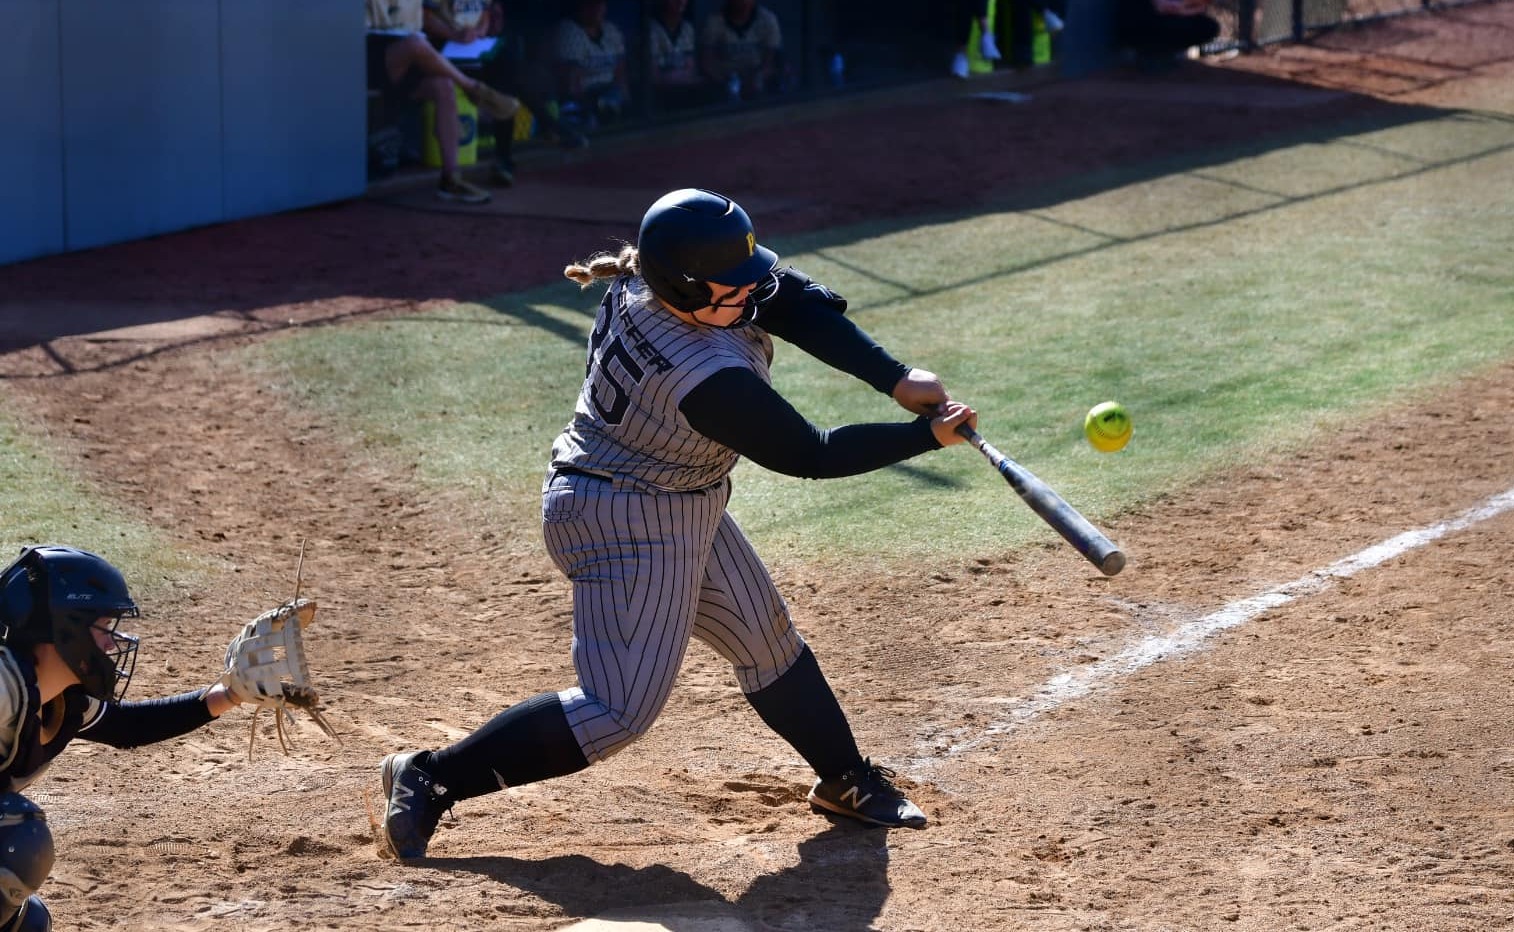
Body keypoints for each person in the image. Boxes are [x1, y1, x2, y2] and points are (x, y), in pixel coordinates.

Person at [378, 188, 979, 859]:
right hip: (622, 518)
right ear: (687, 285)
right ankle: (431, 776)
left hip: (672, 495)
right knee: (616, 711)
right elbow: (808, 453)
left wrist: (894, 377)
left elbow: (791, 300)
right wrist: (926, 438)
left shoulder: (662, 282)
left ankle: (844, 780)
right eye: (736, 286)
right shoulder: (697, 372)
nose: (754, 293)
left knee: (766, 641)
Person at [0, 546, 264, 931]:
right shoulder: (5, 688)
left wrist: (229, 696)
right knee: (17, 839)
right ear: (66, 626)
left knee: (28, 921)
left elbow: (127, 727)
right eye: (103, 627)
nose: (112, 644)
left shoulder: (57, 701)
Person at [421, 0, 589, 189]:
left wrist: (481, 31)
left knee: (510, 67)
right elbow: (426, 17)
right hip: (444, 53)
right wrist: (455, 34)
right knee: (510, 76)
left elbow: (484, 12)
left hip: (474, 48)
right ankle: (545, 129)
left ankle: (509, 158)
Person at [366, 0, 521, 203]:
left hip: (409, 52)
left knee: (444, 87)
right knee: (416, 44)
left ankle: (451, 179)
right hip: (368, 51)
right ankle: (473, 88)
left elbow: (428, 14)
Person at [549, 0, 632, 132]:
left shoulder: (611, 31)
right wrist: (595, 105)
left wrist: (624, 99)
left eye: (600, 4)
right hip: (585, 98)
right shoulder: (567, 32)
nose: (597, 8)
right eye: (592, 4)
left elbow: (621, 73)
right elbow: (570, 85)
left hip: (611, 93)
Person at [698, 0, 786, 101]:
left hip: (760, 91)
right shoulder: (714, 21)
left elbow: (772, 62)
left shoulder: (768, 20)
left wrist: (757, 79)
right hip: (723, 91)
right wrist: (728, 82)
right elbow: (706, 63)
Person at [647, 0, 719, 110]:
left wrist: (676, 77)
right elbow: (654, 77)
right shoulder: (651, 30)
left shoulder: (687, 29)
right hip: (659, 101)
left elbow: (691, 71)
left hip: (686, 95)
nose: (680, 1)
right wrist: (680, 78)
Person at [1115, 0, 1219, 68]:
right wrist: (1181, 8)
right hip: (1138, 20)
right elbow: (1163, 6)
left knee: (1208, 27)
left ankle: (1159, 56)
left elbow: (1199, 6)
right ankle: (1147, 55)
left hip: (1165, 19)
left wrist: (1184, 8)